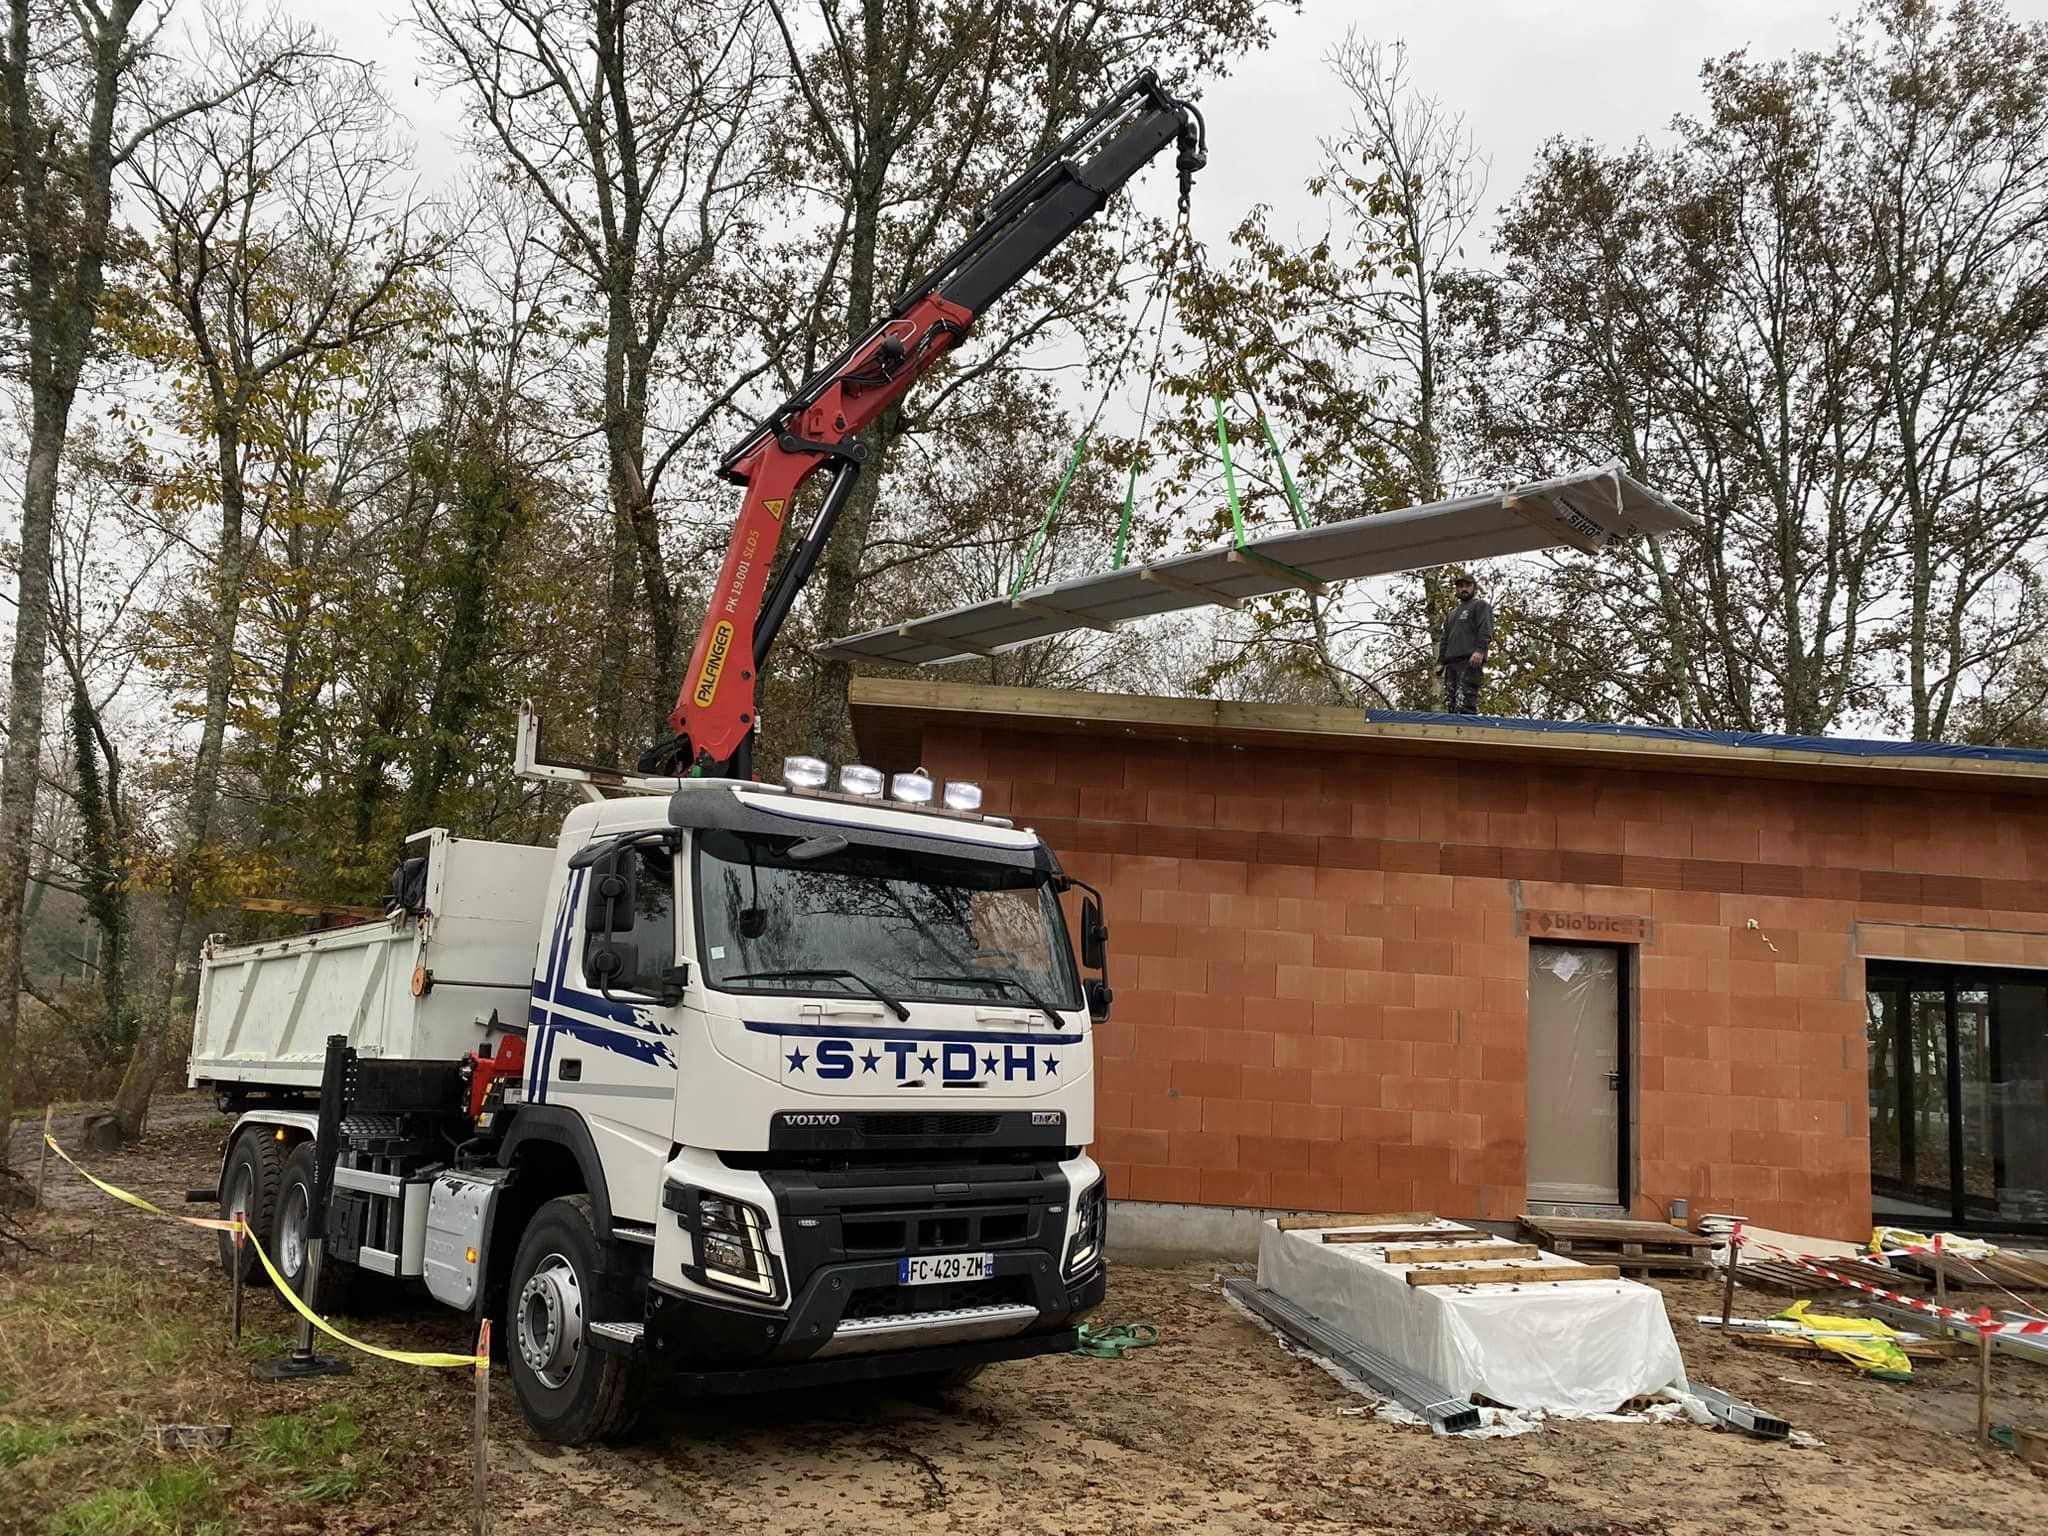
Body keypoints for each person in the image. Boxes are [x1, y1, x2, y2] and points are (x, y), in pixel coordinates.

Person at [1438, 571, 1493, 716]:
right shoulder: (1452, 613)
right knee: (1452, 705)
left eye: (1467, 585)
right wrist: (1440, 661)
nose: (1464, 589)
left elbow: (1485, 628)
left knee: (1465, 703)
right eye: (1460, 586)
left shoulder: (1480, 605)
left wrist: (1480, 650)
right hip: (1451, 663)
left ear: (1474, 587)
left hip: (1469, 661)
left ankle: (1467, 734)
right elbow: (1445, 638)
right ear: (1456, 590)